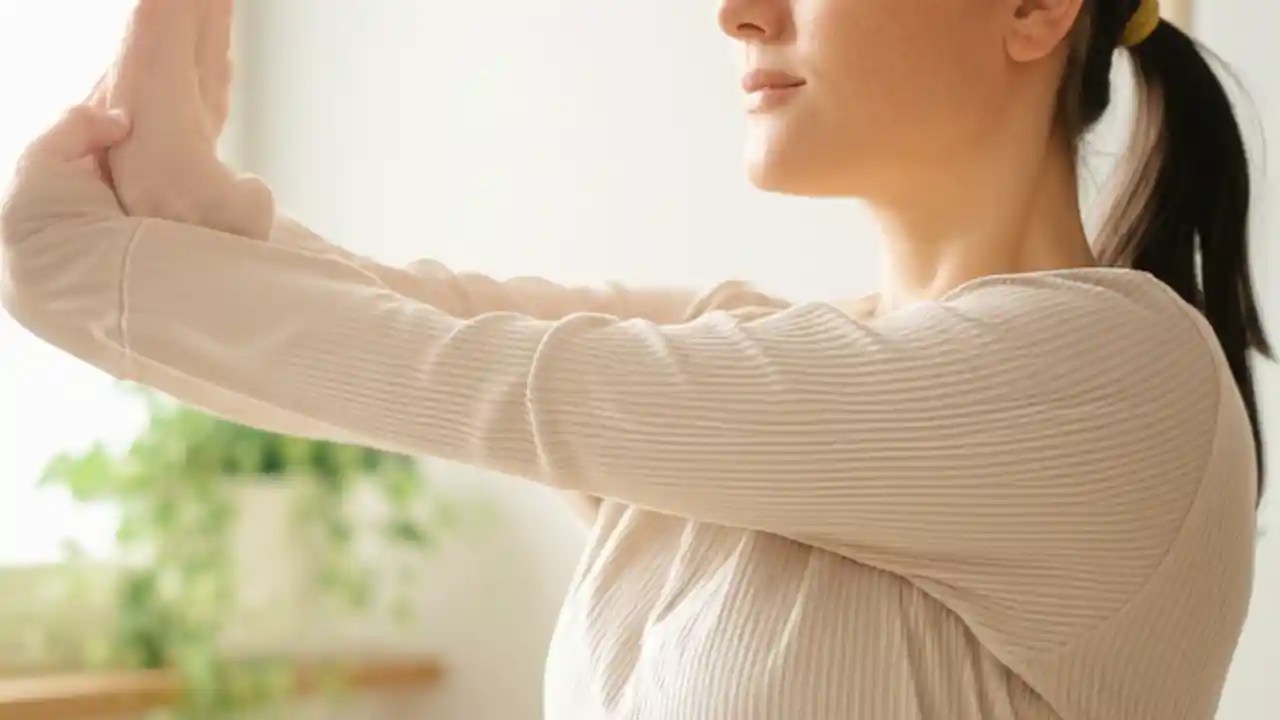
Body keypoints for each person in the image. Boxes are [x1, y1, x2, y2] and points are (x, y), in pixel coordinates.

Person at [1, 0, 1271, 717]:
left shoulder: (1113, 373)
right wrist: (174, 190)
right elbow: (422, 318)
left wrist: (80, 254)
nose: (736, 12)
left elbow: (490, 376)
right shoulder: (767, 352)